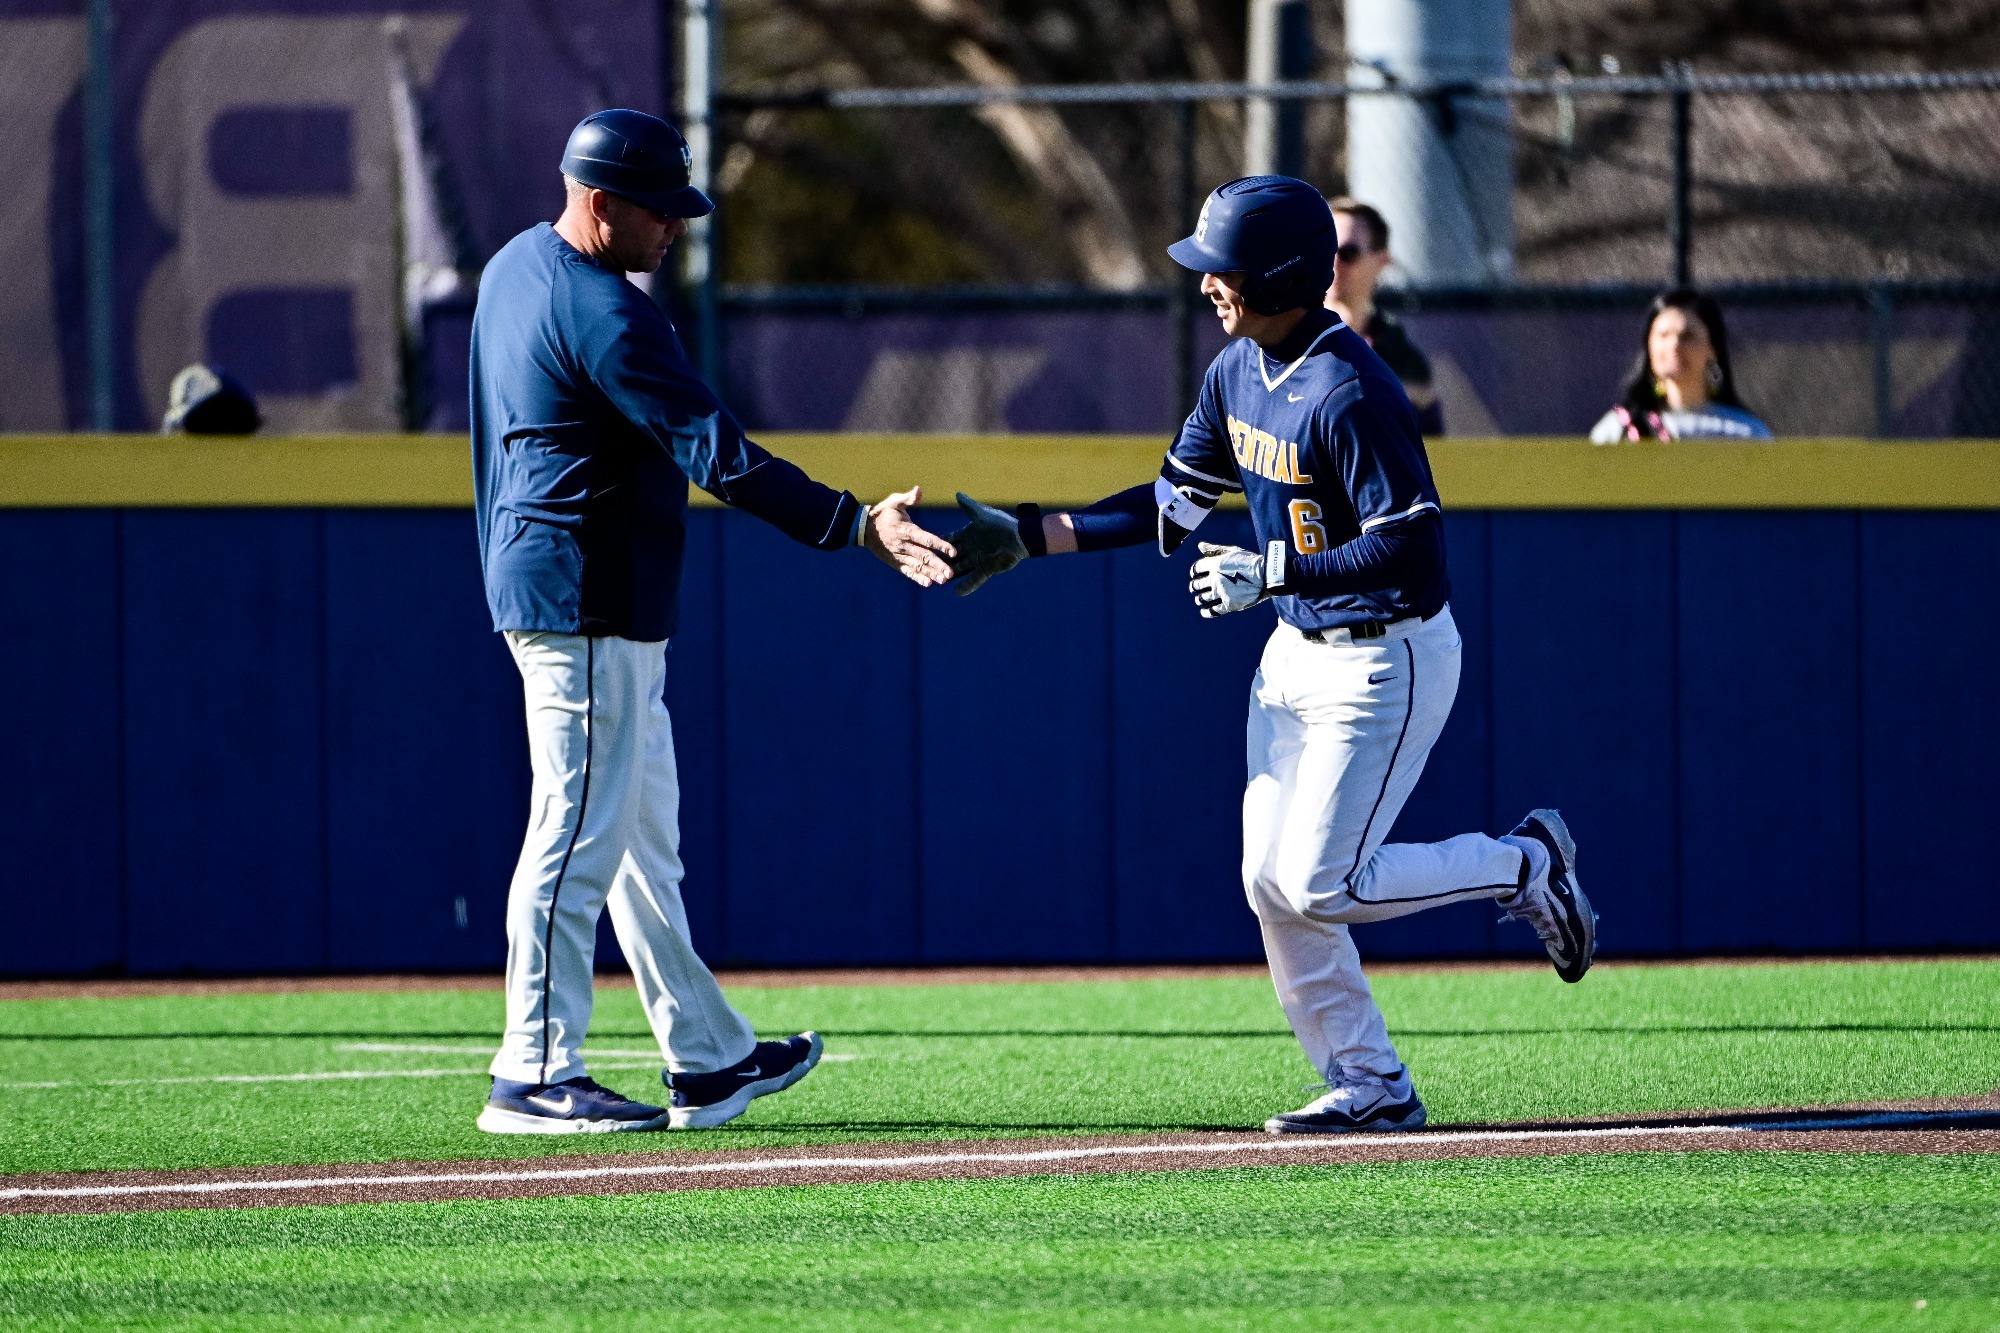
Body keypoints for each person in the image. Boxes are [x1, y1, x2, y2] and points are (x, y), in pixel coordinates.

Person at [946, 175, 1596, 1135]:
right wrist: (1034, 535)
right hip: (1294, 656)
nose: (1208, 283)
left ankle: (1523, 865)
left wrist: (1277, 566)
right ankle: (1371, 1081)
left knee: (1327, 883)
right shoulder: (1237, 370)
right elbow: (1169, 499)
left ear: (1286, 273)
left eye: (1226, 268)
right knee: (1270, 883)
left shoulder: (1352, 387)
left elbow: (1414, 547)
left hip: (1389, 657)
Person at [469, 109, 955, 1135]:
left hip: (576, 590)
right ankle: (534, 1069)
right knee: (574, 835)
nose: (674, 228)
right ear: (599, 204)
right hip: (585, 596)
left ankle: (708, 1056)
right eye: (656, 210)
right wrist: (853, 524)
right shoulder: (606, 311)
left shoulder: (515, 266)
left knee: (644, 843)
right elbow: (719, 454)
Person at [1322, 198, 1442, 437]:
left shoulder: (1405, 362)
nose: (1334, 263)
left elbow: (1431, 454)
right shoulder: (1284, 345)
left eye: (1348, 253)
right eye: (1325, 249)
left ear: (1381, 260)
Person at [1590, 289, 1772, 442]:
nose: (1674, 346)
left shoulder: (1745, 434)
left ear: (1713, 349)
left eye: (1687, 336)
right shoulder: (1620, 430)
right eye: (1663, 335)